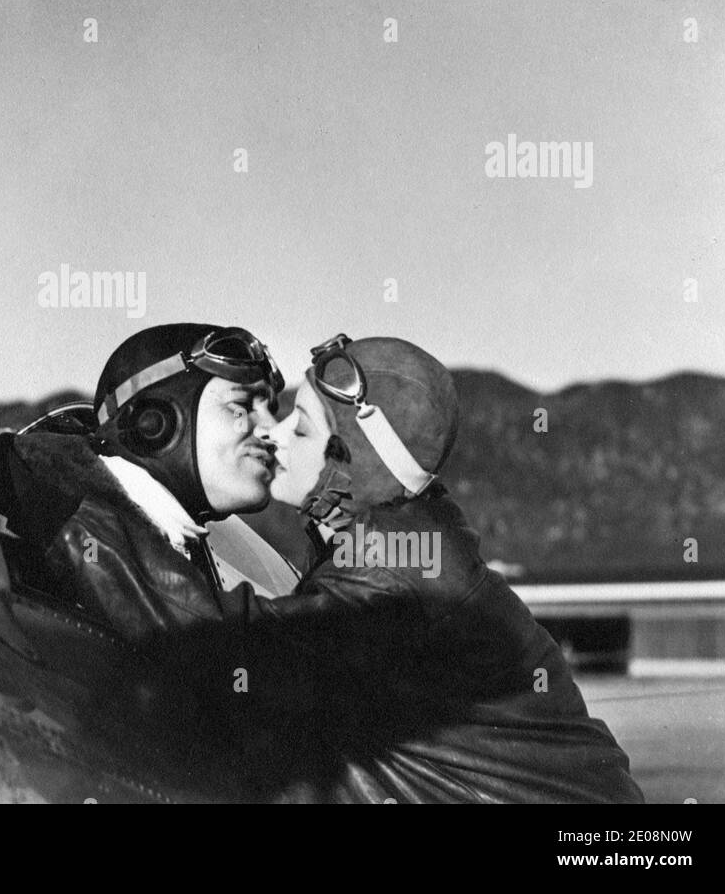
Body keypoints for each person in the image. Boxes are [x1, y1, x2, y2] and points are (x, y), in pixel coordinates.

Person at [77, 332, 645, 803]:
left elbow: (228, 649)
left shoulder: (396, 564)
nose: (272, 434)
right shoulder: (403, 536)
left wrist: (84, 503)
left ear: (353, 464)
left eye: (299, 427)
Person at [0, 323, 297, 633]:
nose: (272, 428)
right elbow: (225, 648)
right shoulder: (25, 502)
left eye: (271, 408)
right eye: (240, 406)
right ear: (156, 422)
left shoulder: (180, 538)